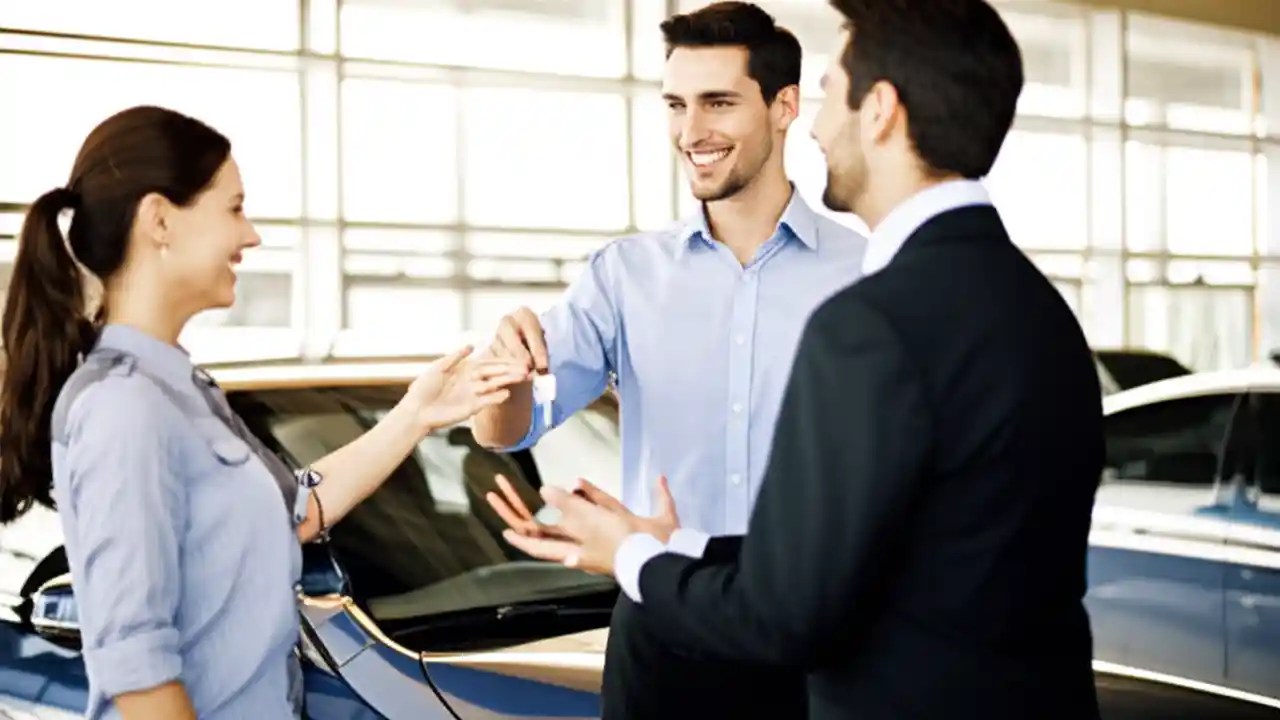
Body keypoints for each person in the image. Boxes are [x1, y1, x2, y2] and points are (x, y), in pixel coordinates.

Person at [501, 1, 1106, 718]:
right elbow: (922, 546)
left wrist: (629, 553)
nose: (821, 128)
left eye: (830, 93)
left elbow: (788, 611)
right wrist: (683, 543)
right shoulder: (1043, 311)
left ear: (877, 110)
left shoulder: (869, 317)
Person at [0, 105, 530, 720]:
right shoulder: (122, 405)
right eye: (233, 208)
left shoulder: (184, 389)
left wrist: (416, 414)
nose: (250, 235)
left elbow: (296, 514)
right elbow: (138, 672)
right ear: (160, 220)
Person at [473, 3, 867, 717]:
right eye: (676, 105)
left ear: (784, 108)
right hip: (665, 626)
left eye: (718, 103)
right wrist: (505, 372)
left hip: (821, 624)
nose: (692, 132)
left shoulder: (866, 271)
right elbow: (504, 432)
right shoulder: (624, 274)